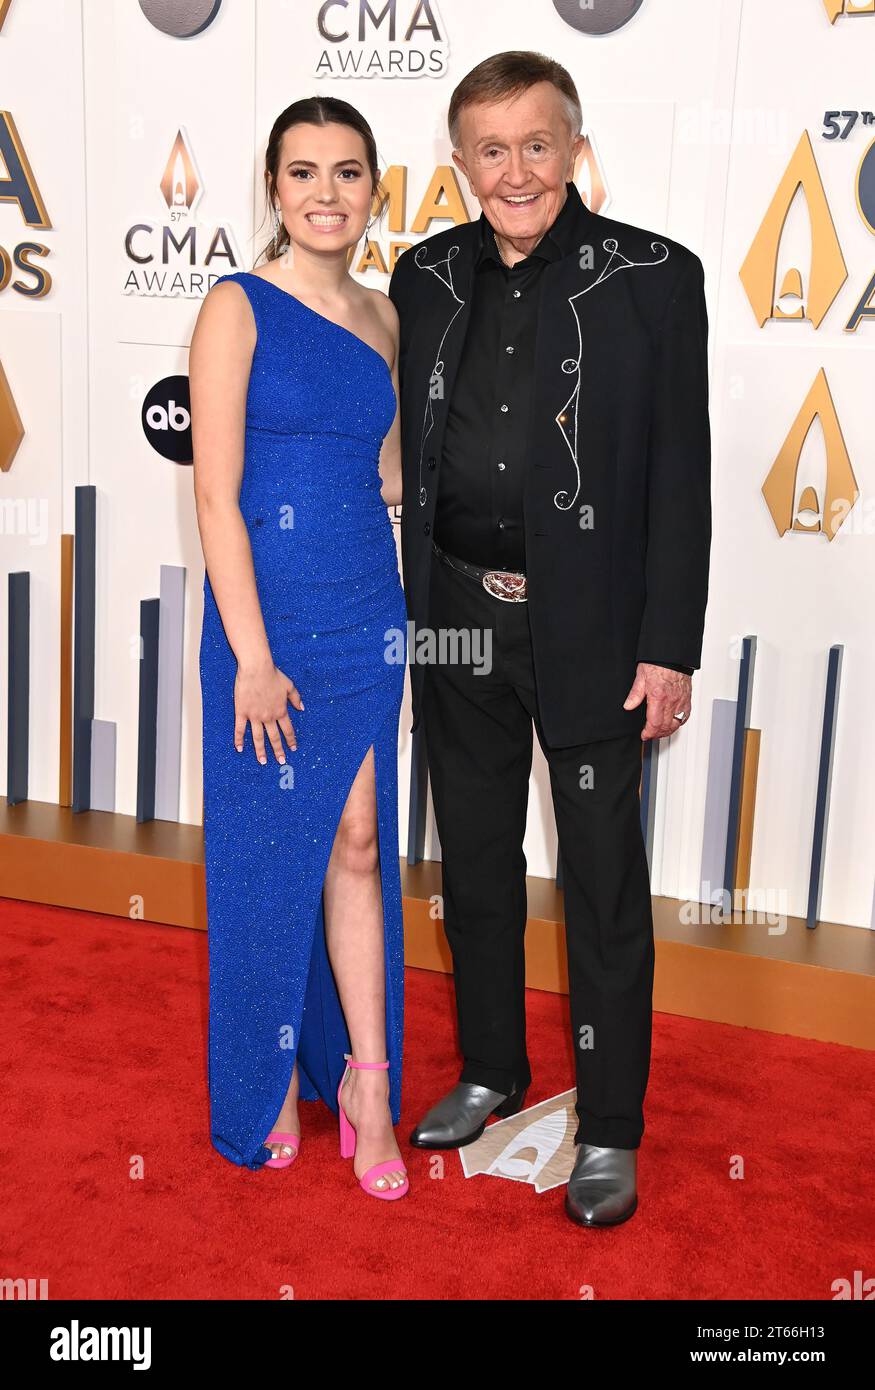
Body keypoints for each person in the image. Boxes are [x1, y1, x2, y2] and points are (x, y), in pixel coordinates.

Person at [388, 51, 711, 1226]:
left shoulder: (653, 279)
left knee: (602, 885)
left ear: (573, 148)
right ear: (460, 159)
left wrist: (666, 644)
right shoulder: (420, 274)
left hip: (593, 632)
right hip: (456, 617)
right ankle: (489, 1066)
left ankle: (610, 1125)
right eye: (489, 147)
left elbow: (681, 478)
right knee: (472, 860)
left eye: (536, 144)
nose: (513, 169)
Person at [191, 96, 409, 1199]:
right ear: (274, 189)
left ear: (376, 187)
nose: (327, 194)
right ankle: (269, 1077)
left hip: (366, 611)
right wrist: (251, 657)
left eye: (349, 173)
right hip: (262, 630)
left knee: (360, 846)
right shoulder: (236, 306)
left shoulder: (382, 318)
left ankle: (368, 1087)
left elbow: (385, 478)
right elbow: (218, 499)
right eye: (303, 172)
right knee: (268, 858)